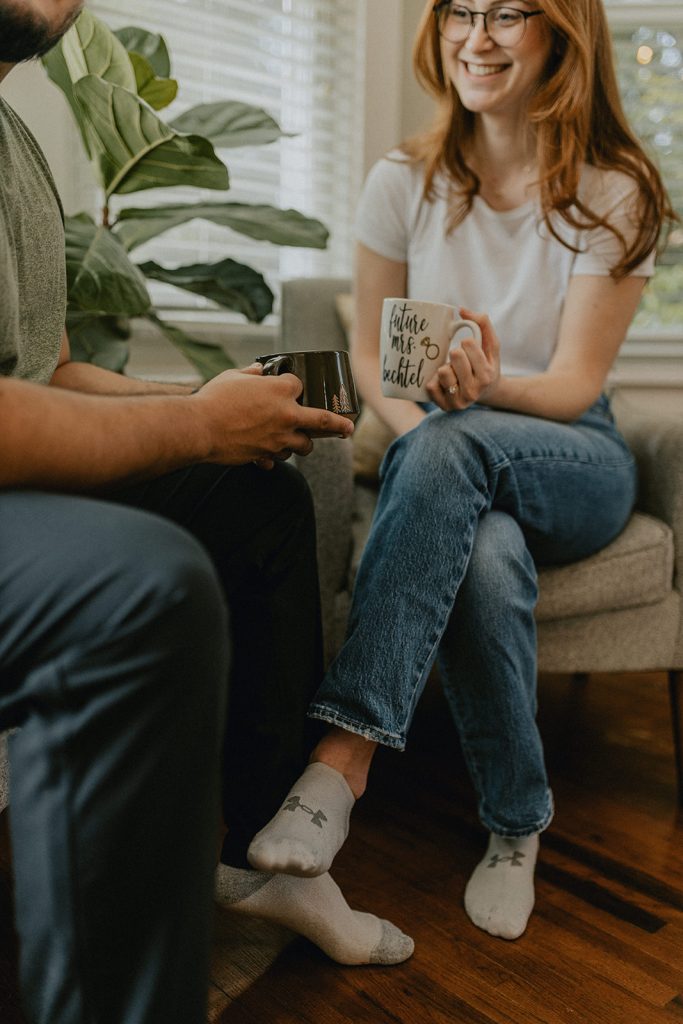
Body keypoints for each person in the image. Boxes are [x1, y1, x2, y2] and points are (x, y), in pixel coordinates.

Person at [0, 2, 412, 1022]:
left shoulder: (16, 140)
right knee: (151, 576)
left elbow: (44, 372)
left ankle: (264, 859)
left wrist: (211, 409)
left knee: (255, 492)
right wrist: (192, 428)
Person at [246, 0, 675, 943]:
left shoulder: (615, 188)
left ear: (563, 33)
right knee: (479, 549)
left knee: (454, 445)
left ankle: (340, 763)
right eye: (459, 12)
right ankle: (517, 824)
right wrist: (421, 425)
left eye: (509, 13)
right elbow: (369, 350)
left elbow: (571, 384)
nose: (475, 37)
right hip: (435, 441)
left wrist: (480, 397)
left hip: (573, 456)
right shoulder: (405, 178)